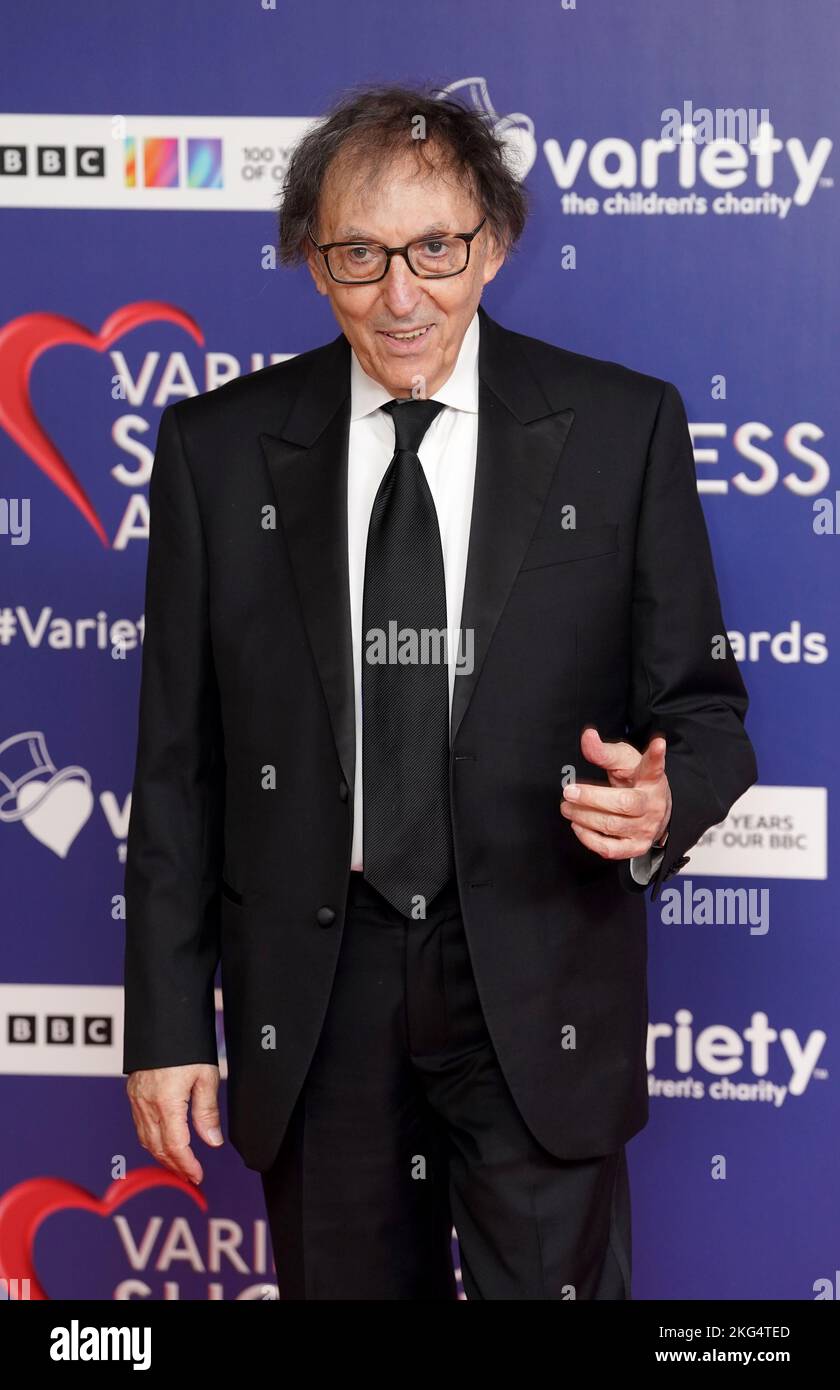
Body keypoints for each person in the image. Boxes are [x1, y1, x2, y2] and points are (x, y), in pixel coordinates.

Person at [123, 84, 757, 1300]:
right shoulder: (216, 451)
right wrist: (162, 1027)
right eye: (359, 255)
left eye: (434, 250)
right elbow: (177, 770)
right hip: (320, 992)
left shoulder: (622, 431)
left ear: (495, 245)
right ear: (315, 262)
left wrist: (663, 805)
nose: (400, 294)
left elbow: (706, 714)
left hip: (537, 969)